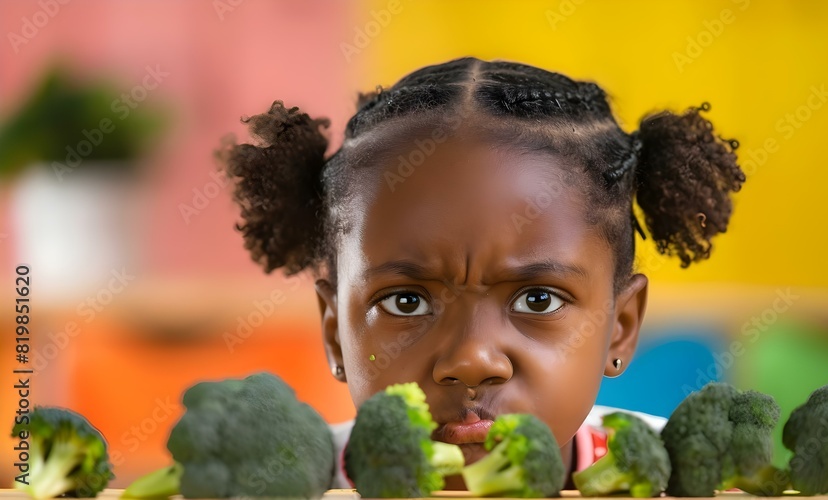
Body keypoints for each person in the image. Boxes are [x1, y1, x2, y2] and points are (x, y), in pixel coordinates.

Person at [217, 56, 745, 490]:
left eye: (538, 300)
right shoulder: (287, 482)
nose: (471, 360)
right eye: (406, 301)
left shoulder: (677, 480)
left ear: (621, 325)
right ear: (335, 332)